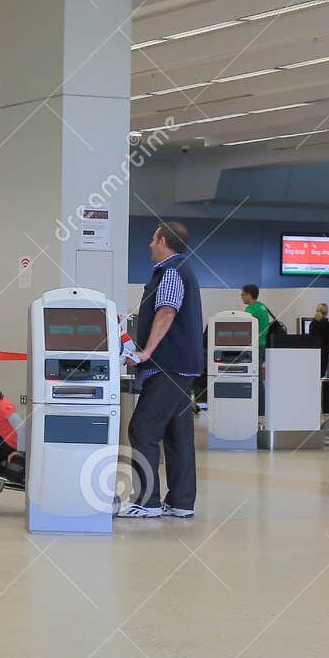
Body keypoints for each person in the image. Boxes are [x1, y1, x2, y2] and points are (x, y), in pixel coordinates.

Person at [120, 221, 204, 519]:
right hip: (183, 368)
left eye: (152, 239)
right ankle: (181, 502)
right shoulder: (184, 270)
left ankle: (147, 501)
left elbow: (167, 311)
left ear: (164, 240)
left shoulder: (170, 272)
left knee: (142, 429)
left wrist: (145, 353)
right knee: (177, 435)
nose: (149, 244)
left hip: (167, 367)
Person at [240, 284, 271, 349]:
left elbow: (245, 328)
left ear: (249, 295)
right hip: (263, 343)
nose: (241, 297)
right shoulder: (261, 306)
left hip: (255, 345)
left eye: (243, 295)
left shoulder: (251, 309)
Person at [309, 302, 329, 378]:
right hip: (324, 351)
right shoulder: (326, 323)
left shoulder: (312, 323)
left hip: (315, 350)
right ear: (326, 312)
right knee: (322, 373)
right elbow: (328, 338)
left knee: (315, 372)